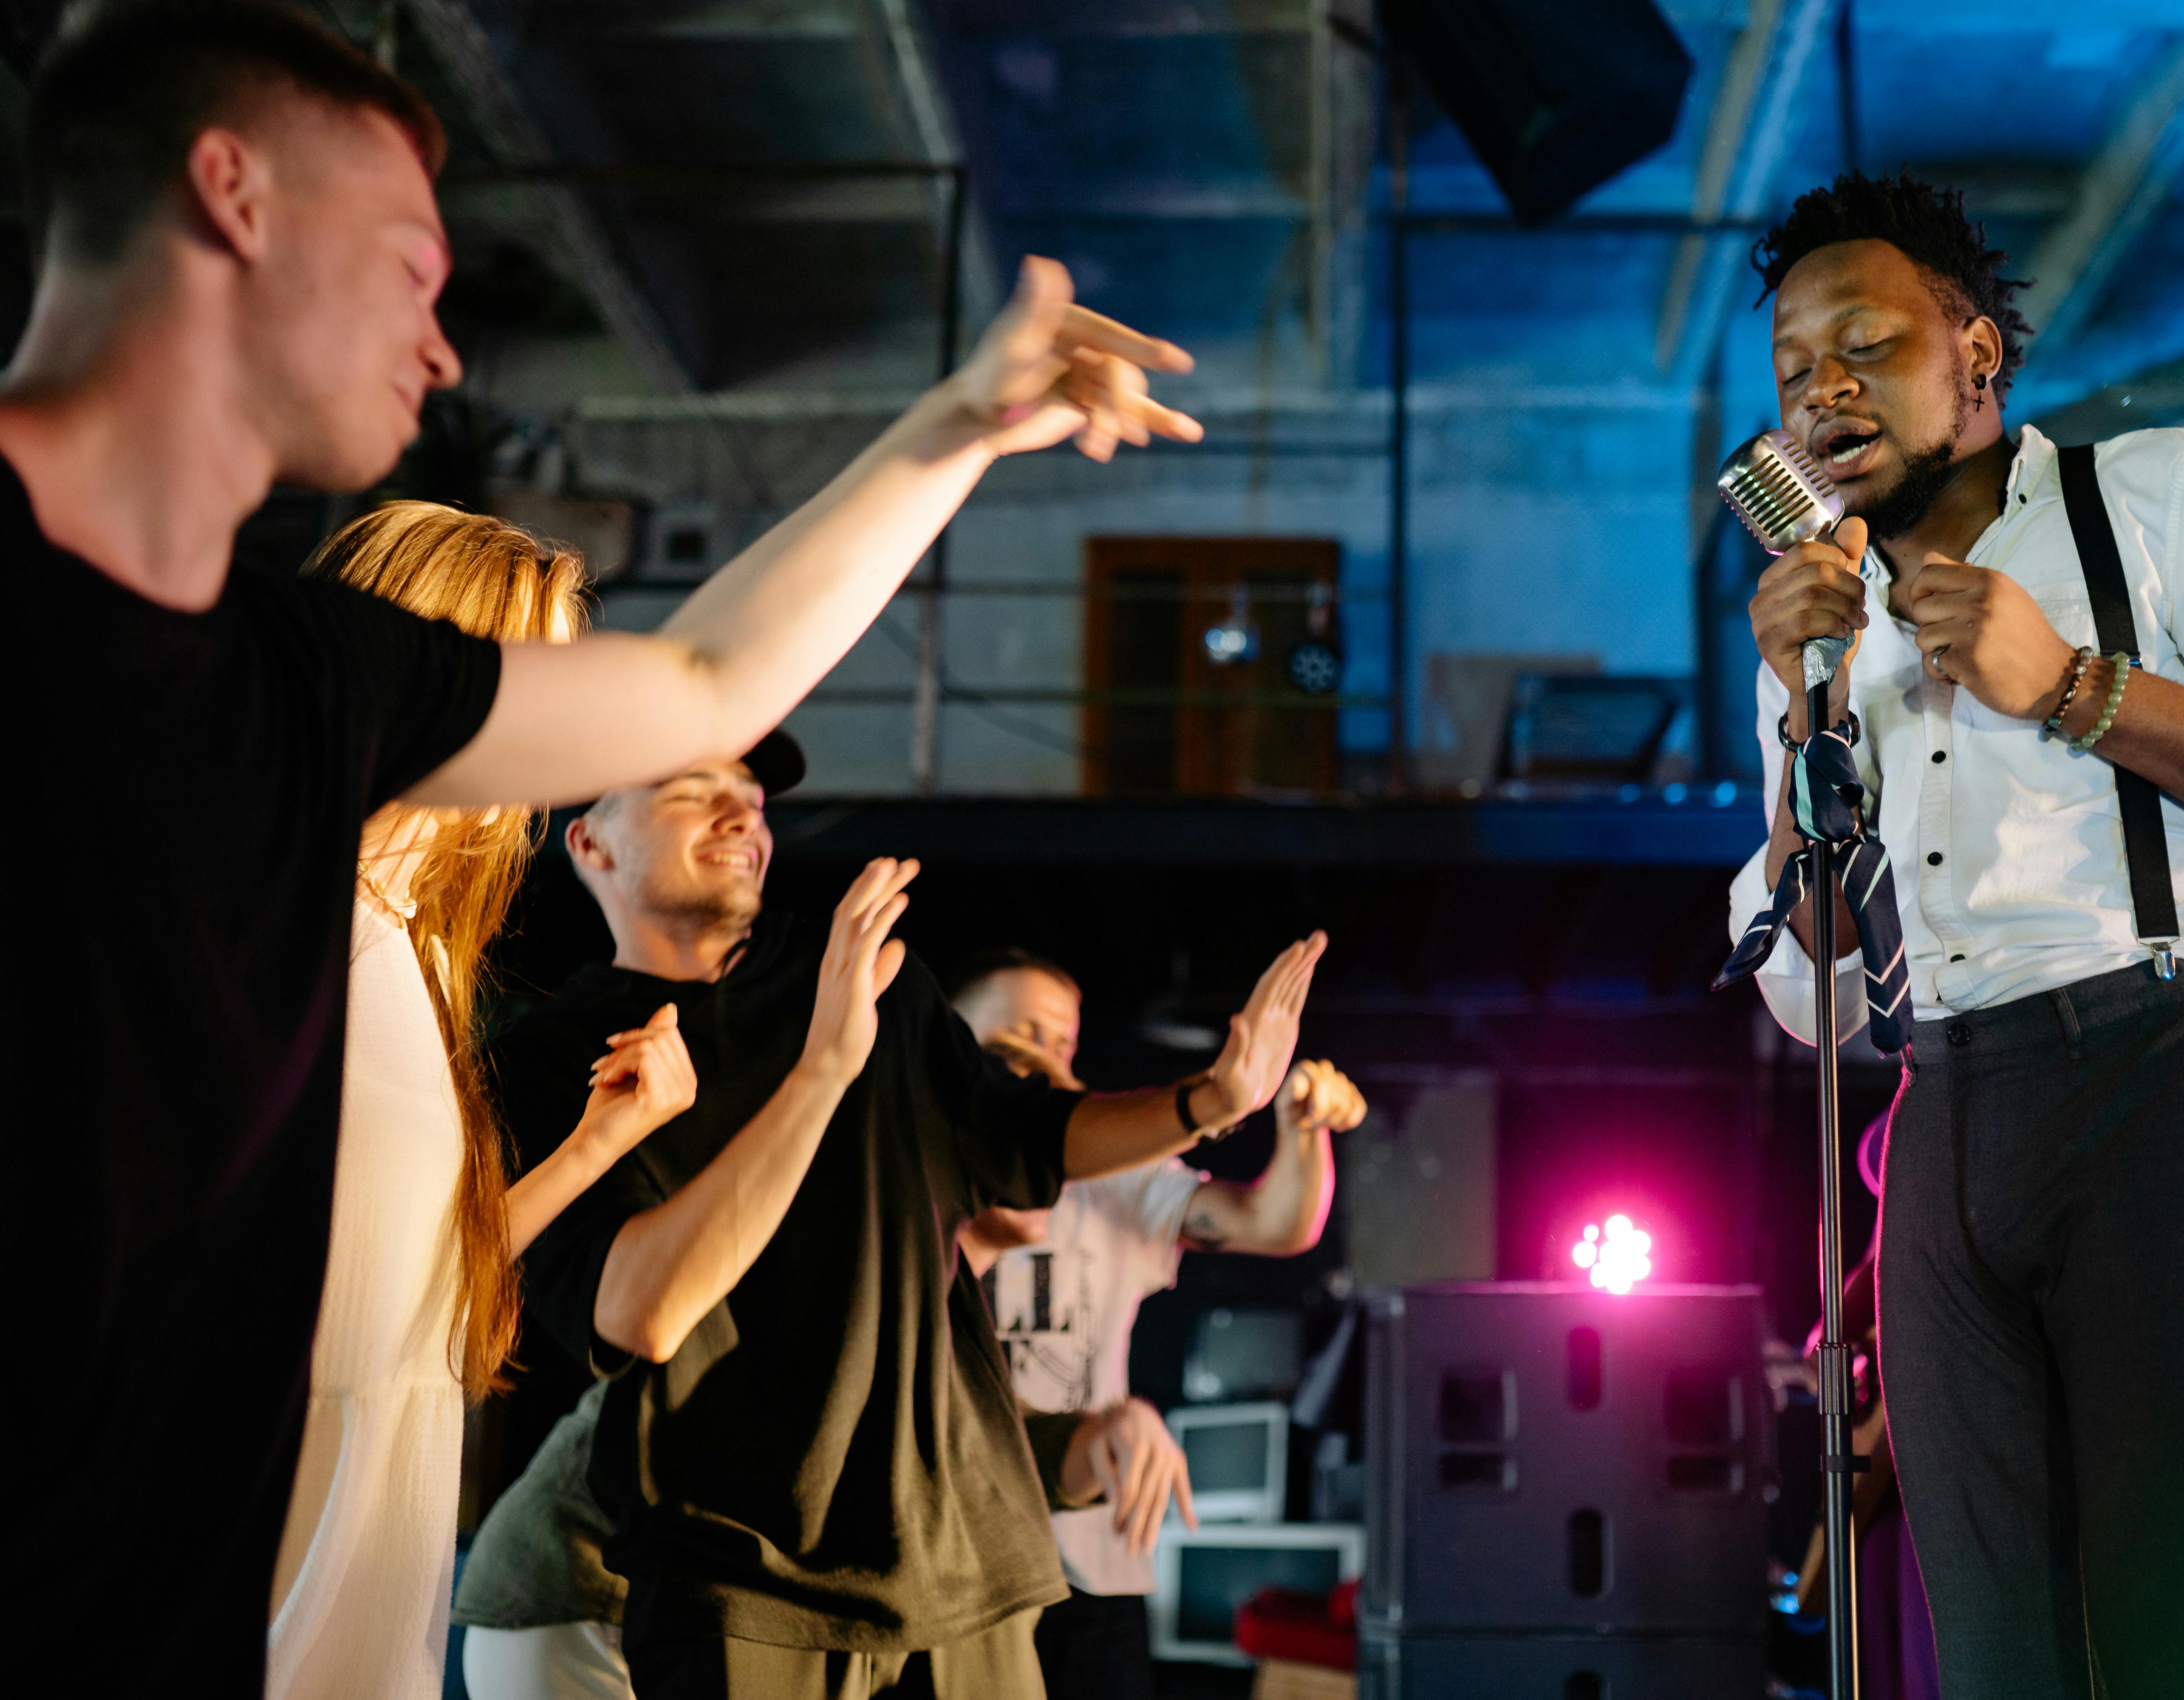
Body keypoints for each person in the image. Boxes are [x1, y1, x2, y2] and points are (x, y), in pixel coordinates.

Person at [3, 4, 1198, 1687]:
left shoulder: (312, 689)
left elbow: (704, 678)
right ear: (234, 194)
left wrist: (958, 428)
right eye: (414, 269)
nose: (443, 353)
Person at [1730, 170, 2184, 1698]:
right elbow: (1813, 995)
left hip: (2174, 1069)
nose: (1822, 392)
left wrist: (2074, 685)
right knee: (1998, 1658)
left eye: (1865, 348)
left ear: (1977, 360)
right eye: (1794, 369)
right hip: (1945, 1113)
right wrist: (1799, 713)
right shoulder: (1817, 621)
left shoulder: (2170, 493)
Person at [454, 753, 1328, 1700]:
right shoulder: (550, 1062)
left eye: (752, 800)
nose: (740, 816)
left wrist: (1211, 1100)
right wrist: (823, 1069)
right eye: (691, 793)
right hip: (735, 1583)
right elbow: (641, 1312)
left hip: (963, 1570)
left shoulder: (863, 981)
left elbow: (1028, 1134)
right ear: (591, 843)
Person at [265, 505, 703, 1699]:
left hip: (375, 1539)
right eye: (532, 677)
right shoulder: (284, 913)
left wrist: (596, 1145)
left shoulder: (409, 947)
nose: (560, 733)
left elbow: (441, 1314)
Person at [948, 950, 1367, 1700]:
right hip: (951, 1562)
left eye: (1062, 1046)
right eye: (1018, 1037)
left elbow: (1276, 1223)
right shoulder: (900, 1185)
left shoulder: (1112, 1181)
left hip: (1084, 1565)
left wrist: (1302, 1129)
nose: (1045, 1066)